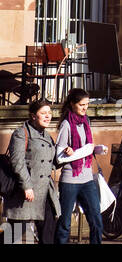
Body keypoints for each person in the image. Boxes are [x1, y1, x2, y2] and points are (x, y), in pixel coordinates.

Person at [55, 88, 107, 245]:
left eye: (87, 104)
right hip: (70, 180)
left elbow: (87, 149)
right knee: (65, 223)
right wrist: (78, 151)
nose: (85, 108)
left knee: (96, 221)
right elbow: (59, 156)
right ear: (72, 104)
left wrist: (97, 149)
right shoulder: (66, 124)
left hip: (87, 178)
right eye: (81, 105)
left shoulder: (86, 121)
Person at [5, 97, 60, 244]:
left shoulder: (47, 136)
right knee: (13, 235)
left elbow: (51, 163)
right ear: (33, 116)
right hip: (25, 191)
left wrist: (66, 154)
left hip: (45, 192)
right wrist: (27, 186)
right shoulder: (21, 133)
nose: (48, 116)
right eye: (43, 113)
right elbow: (17, 161)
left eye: (49, 112)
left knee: (48, 234)